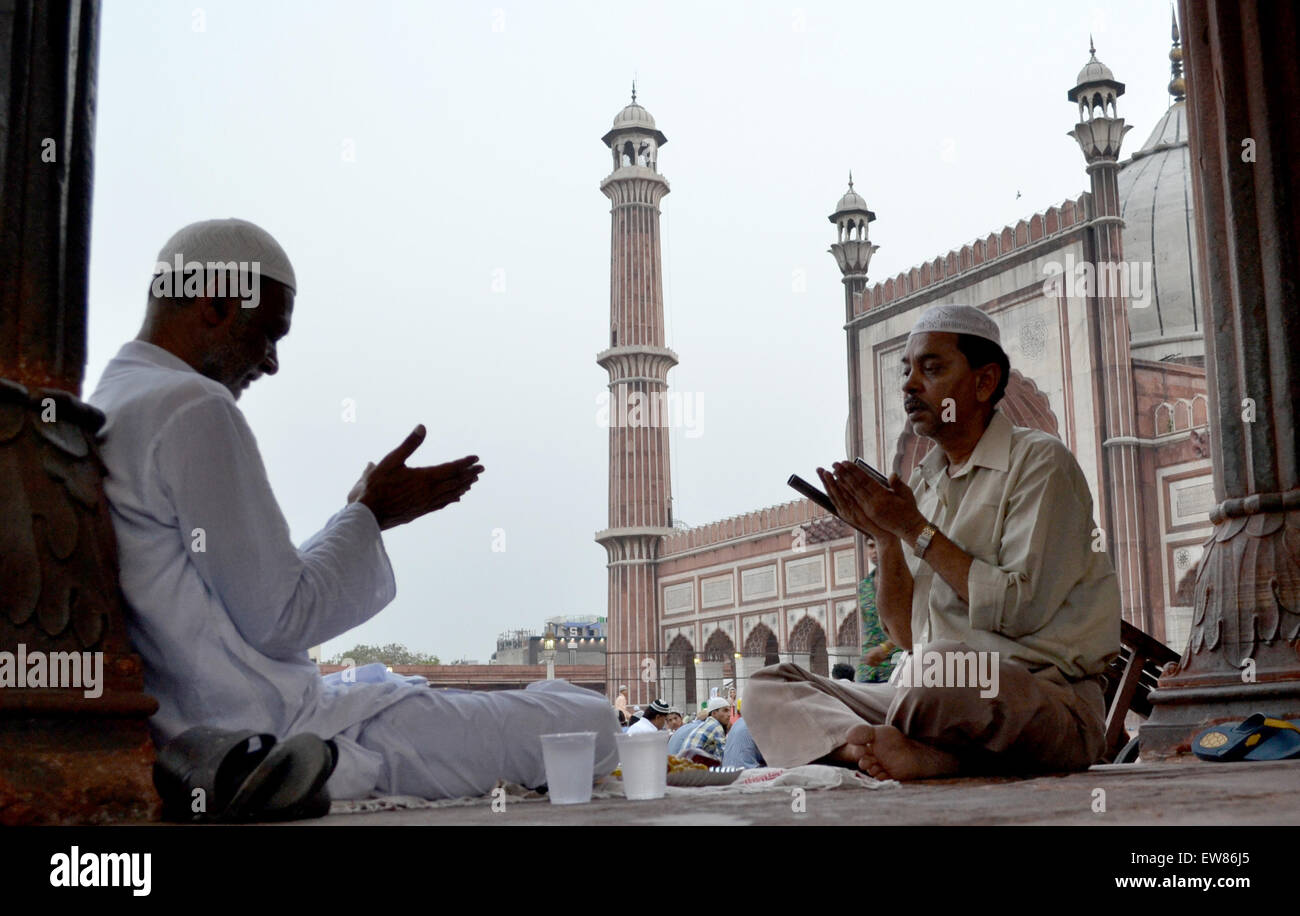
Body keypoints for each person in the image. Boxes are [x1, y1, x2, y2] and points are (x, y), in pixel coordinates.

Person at [88, 219, 620, 800]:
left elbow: (258, 593)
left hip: (241, 721)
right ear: (215, 305)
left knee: (564, 701)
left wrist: (363, 515)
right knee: (591, 721)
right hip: (289, 734)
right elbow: (282, 618)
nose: (270, 363)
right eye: (269, 335)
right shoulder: (191, 408)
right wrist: (369, 514)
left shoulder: (120, 399)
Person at [745, 304, 1120, 781]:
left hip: (1039, 698)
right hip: (924, 696)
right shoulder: (923, 486)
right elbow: (905, 636)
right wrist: (885, 537)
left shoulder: (1040, 464)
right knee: (768, 686)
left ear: (984, 383)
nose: (909, 384)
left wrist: (915, 531)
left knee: (937, 669)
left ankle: (918, 754)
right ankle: (869, 752)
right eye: (907, 370)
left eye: (932, 368)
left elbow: (1022, 609)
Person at [856, 536, 898, 683]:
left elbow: (914, 623)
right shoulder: (864, 586)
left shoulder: (901, 580)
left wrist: (885, 648)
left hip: (897, 666)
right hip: (868, 670)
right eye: (870, 546)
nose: (874, 551)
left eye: (877, 545)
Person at [680, 697, 732, 764]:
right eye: (725, 710)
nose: (729, 714)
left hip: (683, 766)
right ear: (714, 713)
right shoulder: (716, 726)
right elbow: (724, 755)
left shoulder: (707, 724)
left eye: (729, 711)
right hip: (693, 768)